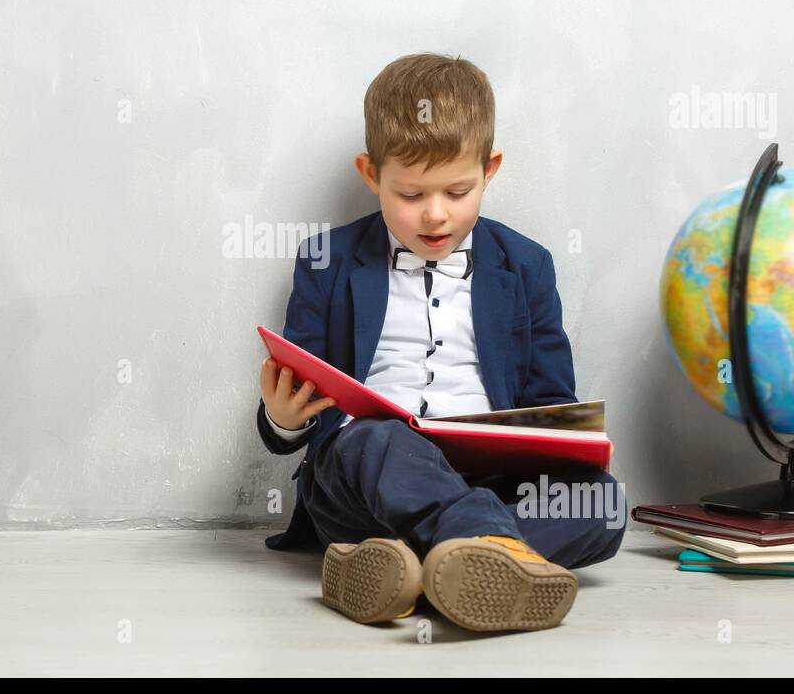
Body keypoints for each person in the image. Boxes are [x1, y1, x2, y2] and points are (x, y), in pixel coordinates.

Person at [255, 53, 625, 632]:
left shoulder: (527, 266)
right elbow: (303, 404)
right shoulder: (324, 262)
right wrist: (283, 419)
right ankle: (492, 554)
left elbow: (550, 405)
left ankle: (401, 569)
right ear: (371, 173)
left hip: (489, 477)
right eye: (411, 194)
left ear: (491, 169)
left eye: (458, 192)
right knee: (375, 439)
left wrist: (555, 440)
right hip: (363, 478)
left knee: (601, 503)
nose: (435, 215)